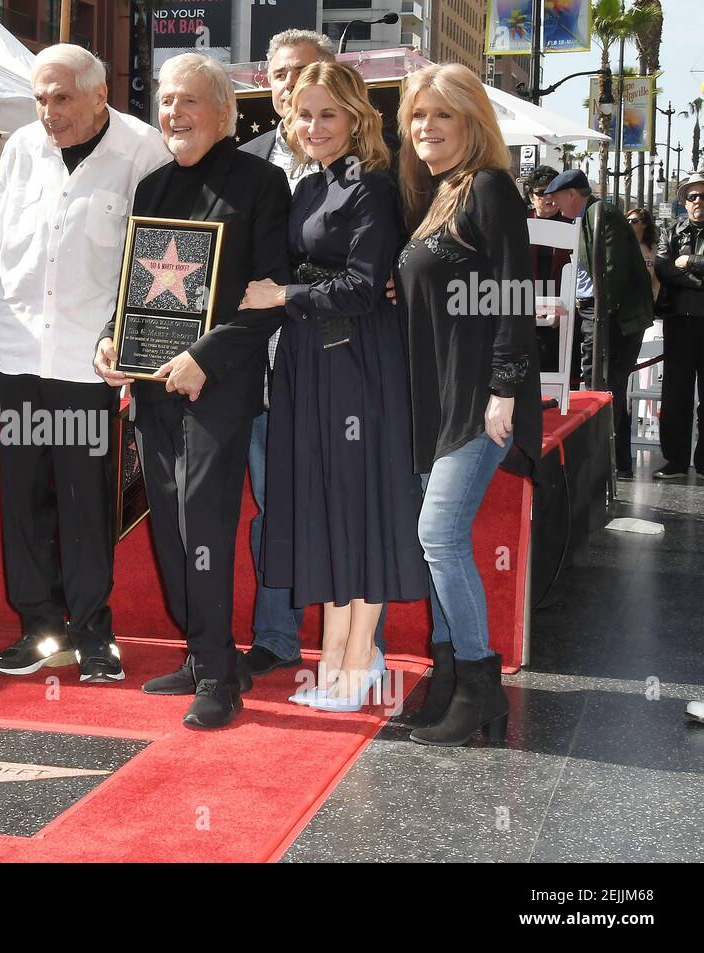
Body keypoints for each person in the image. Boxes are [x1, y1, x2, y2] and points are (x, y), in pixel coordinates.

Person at [94, 53, 291, 728]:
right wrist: (110, 338)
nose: (174, 113)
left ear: (225, 112)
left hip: (221, 388)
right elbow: (133, 284)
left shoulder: (263, 185)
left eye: (189, 101)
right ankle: (204, 651)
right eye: (167, 101)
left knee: (203, 525)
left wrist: (205, 358)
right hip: (152, 387)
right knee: (170, 531)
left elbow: (269, 295)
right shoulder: (150, 188)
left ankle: (217, 674)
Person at [245, 61, 426, 713]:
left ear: (355, 117)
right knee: (324, 507)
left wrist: (284, 292)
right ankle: (336, 658)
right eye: (303, 114)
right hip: (307, 361)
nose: (314, 125)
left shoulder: (372, 187)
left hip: (356, 362)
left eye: (328, 113)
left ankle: (356, 664)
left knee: (358, 506)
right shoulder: (308, 187)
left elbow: (358, 285)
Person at [0, 44, 170, 683]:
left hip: (89, 362)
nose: (49, 112)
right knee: (24, 499)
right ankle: (40, 631)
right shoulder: (19, 150)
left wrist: (124, 337)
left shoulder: (143, 150)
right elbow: (2, 252)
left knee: (86, 502)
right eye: (41, 98)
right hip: (18, 356)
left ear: (100, 95)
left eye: (62, 97)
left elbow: (156, 260)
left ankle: (93, 632)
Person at [394, 63, 541, 746]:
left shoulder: (489, 187)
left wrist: (504, 390)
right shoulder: (440, 193)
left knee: (439, 536)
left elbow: (515, 293)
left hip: (480, 398)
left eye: (442, 115)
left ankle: (481, 683)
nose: (427, 127)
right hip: (438, 397)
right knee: (438, 541)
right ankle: (451, 679)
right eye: (418, 116)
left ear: (472, 122)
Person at [236, 28, 334, 678]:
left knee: (332, 506)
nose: (290, 83)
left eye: (303, 71)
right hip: (254, 368)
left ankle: (355, 649)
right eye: (279, 73)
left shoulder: (354, 166)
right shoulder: (241, 160)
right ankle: (275, 638)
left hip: (332, 365)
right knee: (272, 505)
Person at [544, 168, 653, 480]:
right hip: (599, 312)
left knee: (603, 386)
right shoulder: (587, 217)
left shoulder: (599, 213)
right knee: (604, 385)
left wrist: (601, 315)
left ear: (572, 195)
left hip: (609, 315)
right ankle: (615, 462)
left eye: (557, 198)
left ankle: (606, 462)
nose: (555, 205)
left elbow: (610, 270)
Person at [654, 170, 704, 478]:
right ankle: (674, 460)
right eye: (693, 196)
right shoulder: (670, 230)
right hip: (679, 321)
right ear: (683, 201)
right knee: (676, 395)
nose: (699, 201)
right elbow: (662, 268)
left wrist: (690, 263)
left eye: (703, 195)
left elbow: (675, 267)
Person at [523, 166, 576, 381]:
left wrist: (563, 309)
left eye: (554, 192)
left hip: (561, 312)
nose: (548, 197)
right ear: (530, 195)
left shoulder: (572, 225)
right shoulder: (519, 223)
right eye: (541, 192)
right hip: (523, 306)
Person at [626, 207, 659, 303]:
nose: (629, 223)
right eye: (627, 220)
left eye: (634, 221)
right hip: (626, 299)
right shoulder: (621, 245)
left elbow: (656, 276)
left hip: (646, 300)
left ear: (644, 224)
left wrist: (654, 297)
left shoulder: (654, 248)